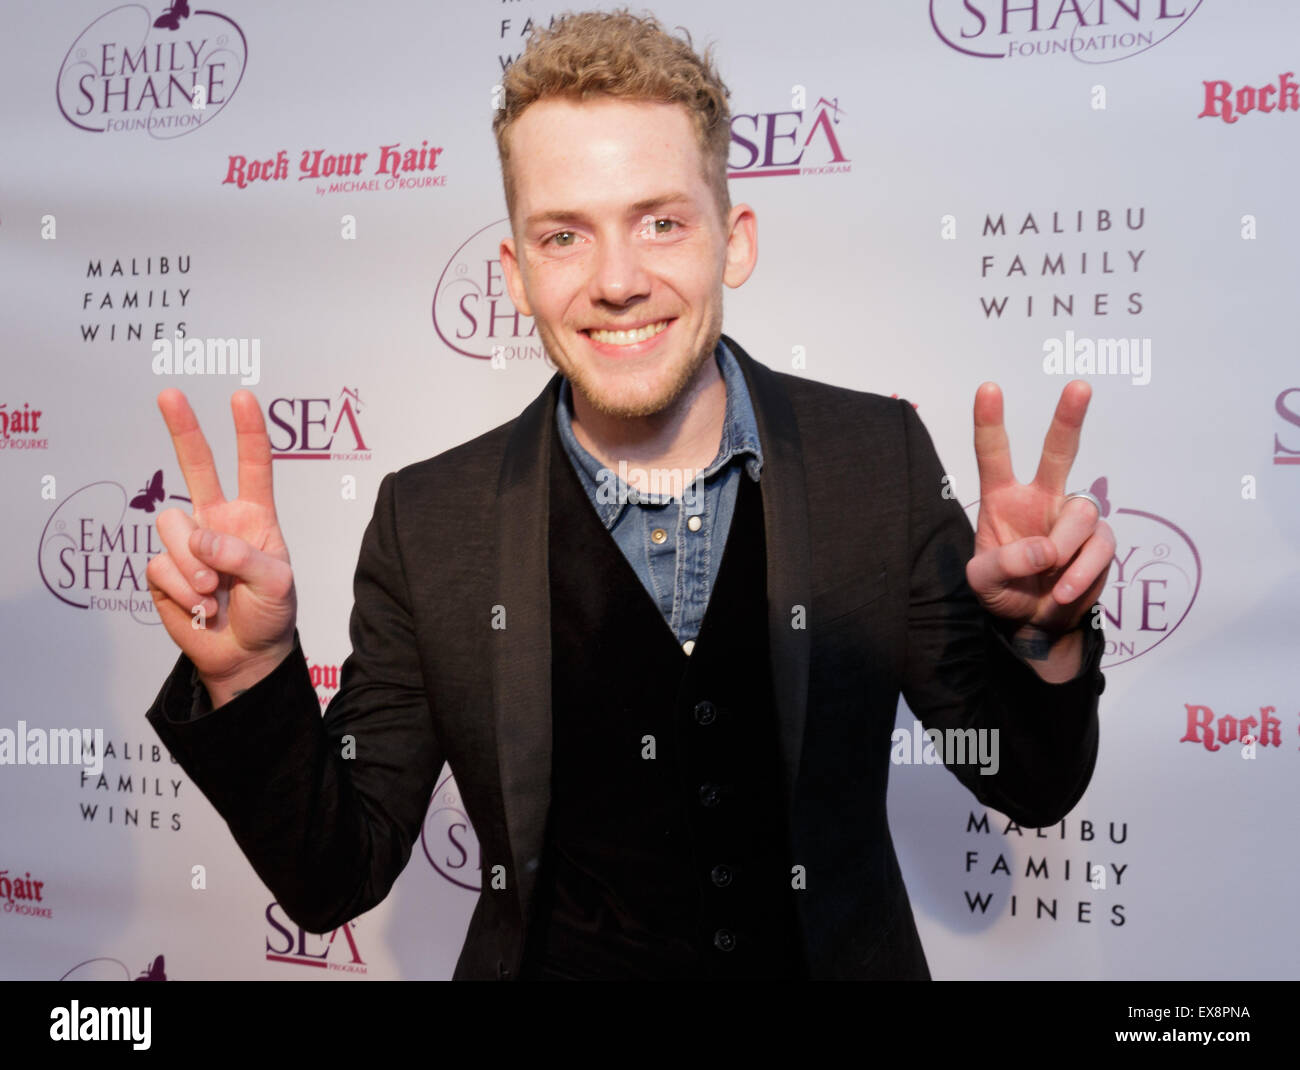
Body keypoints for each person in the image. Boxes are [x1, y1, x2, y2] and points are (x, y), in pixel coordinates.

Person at [144, 9, 1112, 980]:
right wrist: (249, 677)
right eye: (565, 235)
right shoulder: (428, 521)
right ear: (516, 274)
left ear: (731, 241)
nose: (617, 279)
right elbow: (330, 874)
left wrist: (1040, 636)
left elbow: (1026, 781)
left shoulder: (878, 462)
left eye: (659, 221)